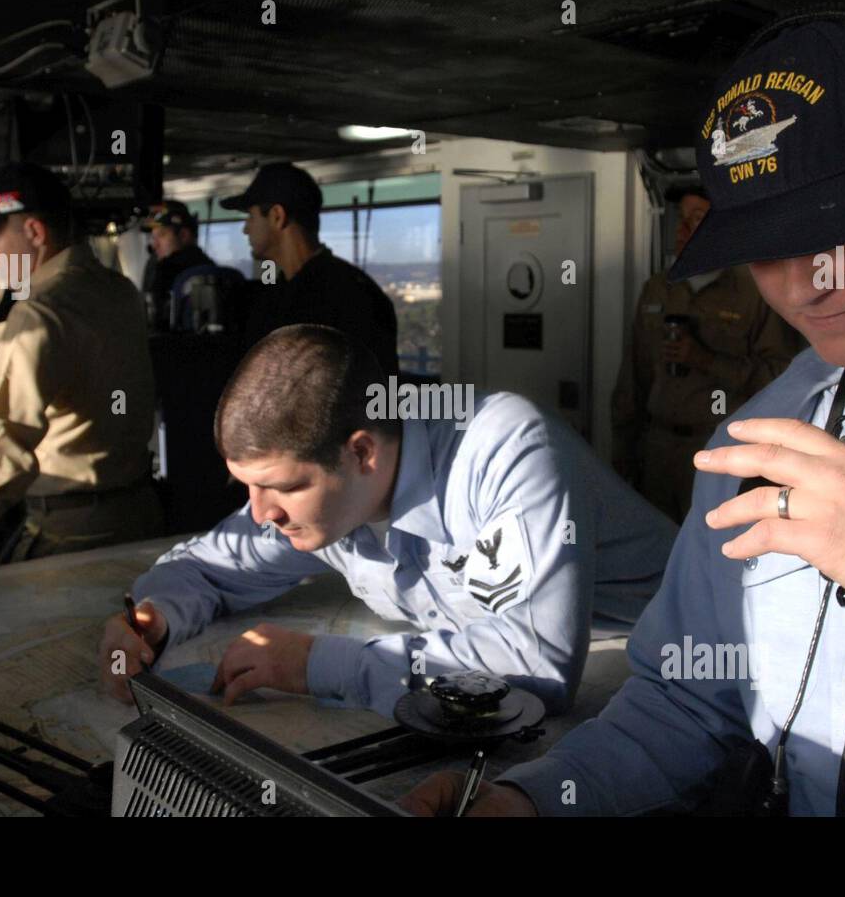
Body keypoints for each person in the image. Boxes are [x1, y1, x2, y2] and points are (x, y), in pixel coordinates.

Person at [401, 14, 845, 817]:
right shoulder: (757, 435)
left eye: (838, 226)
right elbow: (685, 704)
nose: (797, 288)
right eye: (763, 244)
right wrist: (531, 800)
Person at [98, 324, 676, 718]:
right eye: (246, 486)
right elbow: (205, 565)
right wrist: (152, 617)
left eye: (281, 486)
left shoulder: (505, 450)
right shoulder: (323, 498)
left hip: (650, 669)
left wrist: (316, 663)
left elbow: (538, 662)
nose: (261, 513)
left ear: (361, 453)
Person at [0, 162, 163, 573]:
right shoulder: (119, 291)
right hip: (139, 518)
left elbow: (4, 442)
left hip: (72, 533)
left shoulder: (37, 315)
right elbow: (77, 328)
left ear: (35, 233)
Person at [612, 187, 803, 522]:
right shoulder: (658, 289)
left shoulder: (754, 292)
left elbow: (780, 377)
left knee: (712, 554)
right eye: (680, 220)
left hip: (719, 449)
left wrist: (706, 360)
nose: (682, 230)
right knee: (656, 552)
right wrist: (622, 447)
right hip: (657, 448)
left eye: (696, 219)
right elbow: (635, 374)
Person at [223, 162, 400, 375]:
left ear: (277, 216)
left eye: (251, 217)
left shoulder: (349, 297)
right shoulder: (278, 289)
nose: (245, 229)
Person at [140, 200, 219, 330]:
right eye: (153, 238)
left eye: (161, 235)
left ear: (183, 235)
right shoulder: (209, 266)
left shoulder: (166, 270)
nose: (155, 245)